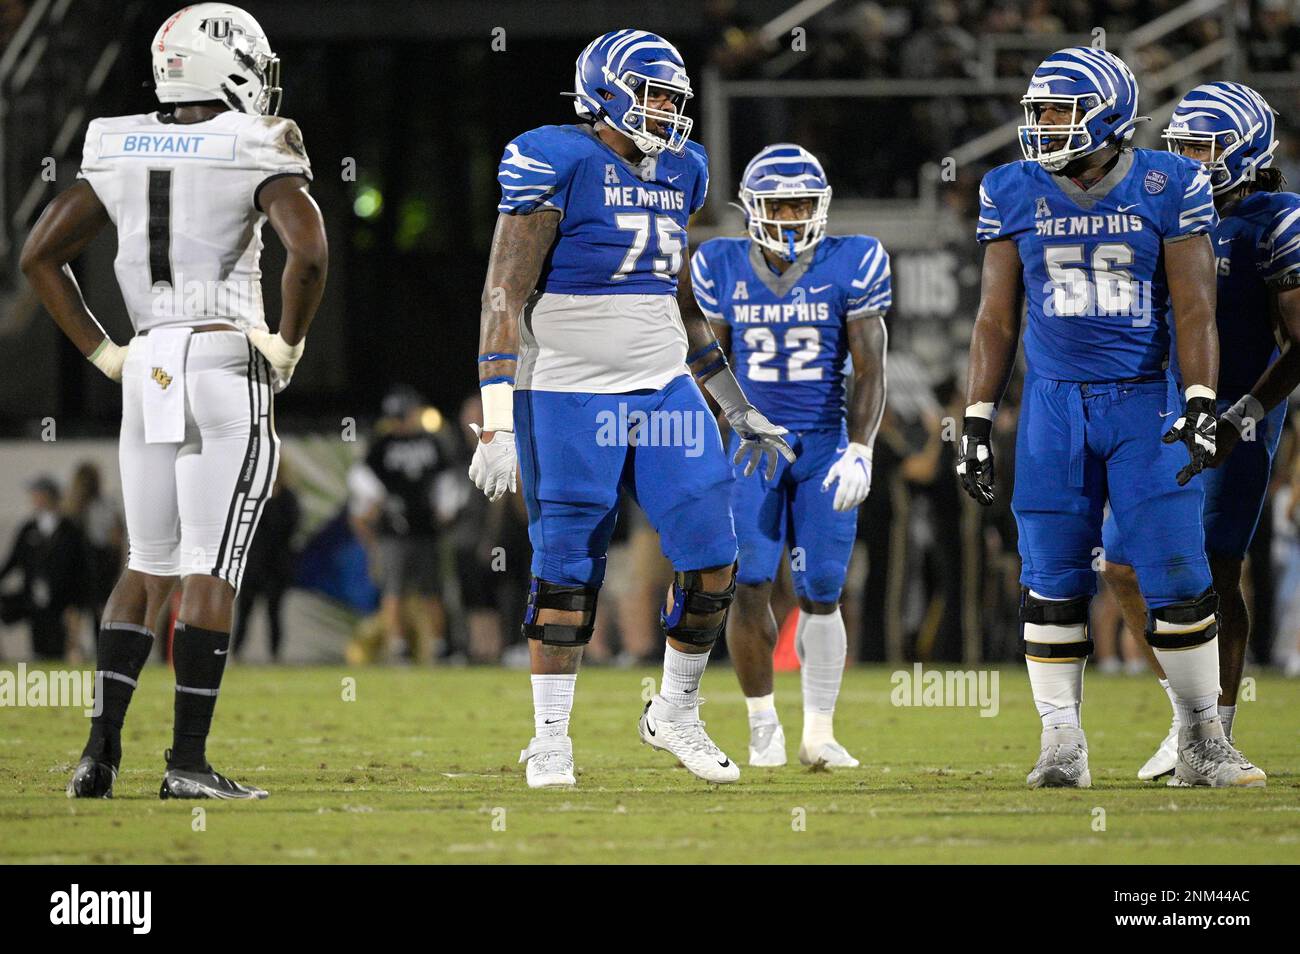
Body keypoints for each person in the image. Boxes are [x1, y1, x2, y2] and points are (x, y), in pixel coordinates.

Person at [469, 30, 793, 788]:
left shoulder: (682, 169)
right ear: (605, 92)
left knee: (714, 554)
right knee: (565, 568)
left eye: (672, 98)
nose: (665, 111)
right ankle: (550, 738)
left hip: (661, 387)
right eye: (651, 95)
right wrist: (494, 418)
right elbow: (502, 292)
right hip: (566, 388)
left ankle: (675, 712)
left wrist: (734, 403)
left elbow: (678, 306)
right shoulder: (558, 158)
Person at [21, 4, 327, 799]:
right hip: (225, 354)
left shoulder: (116, 140)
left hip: (149, 360)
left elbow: (40, 256)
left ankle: (98, 756)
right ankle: (187, 764)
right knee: (209, 568)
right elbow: (309, 252)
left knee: (146, 564)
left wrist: (101, 350)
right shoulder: (258, 141)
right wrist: (289, 339)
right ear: (228, 68)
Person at [955, 47, 1261, 789]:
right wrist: (976, 416)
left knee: (1178, 574)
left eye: (1059, 111)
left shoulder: (1168, 183)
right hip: (1054, 405)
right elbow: (996, 319)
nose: (1043, 126)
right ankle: (1061, 744)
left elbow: (1195, 308)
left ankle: (1202, 740)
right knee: (1052, 576)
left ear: (1110, 116)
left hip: (1141, 399)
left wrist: (1197, 398)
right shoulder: (1012, 188)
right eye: (1038, 112)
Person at [1100, 82, 1300, 784]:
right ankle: (1188, 719)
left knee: (1214, 571)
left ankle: (1217, 732)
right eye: (1180, 146)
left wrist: (1245, 412)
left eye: (1203, 148)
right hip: (1159, 407)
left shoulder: (1278, 219)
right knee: (1121, 565)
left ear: (1246, 150)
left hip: (1239, 411)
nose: (1188, 159)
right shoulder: (1156, 206)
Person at [687, 144, 889, 767]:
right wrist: (729, 427)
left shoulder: (852, 260)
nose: (794, 215)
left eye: (804, 202)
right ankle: (762, 722)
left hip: (824, 441)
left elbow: (871, 368)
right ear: (751, 209)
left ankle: (820, 732)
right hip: (753, 445)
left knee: (822, 589)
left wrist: (861, 448)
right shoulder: (720, 263)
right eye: (780, 204)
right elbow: (708, 364)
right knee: (747, 583)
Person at [349, 386, 454, 663]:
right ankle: (399, 646)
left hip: (425, 529)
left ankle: (439, 645)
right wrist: (376, 503)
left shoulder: (431, 442)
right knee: (393, 590)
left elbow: (446, 479)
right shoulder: (382, 445)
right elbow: (362, 480)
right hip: (393, 531)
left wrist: (444, 507)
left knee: (431, 590)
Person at [0, 477, 88, 659]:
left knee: (58, 646)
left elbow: (81, 567)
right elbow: (13, 560)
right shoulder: (28, 528)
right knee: (38, 644)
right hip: (34, 599)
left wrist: (81, 600)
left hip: (63, 600)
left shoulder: (69, 529)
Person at [232, 462, 300, 661]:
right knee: (244, 612)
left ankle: (275, 655)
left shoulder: (287, 497)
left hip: (276, 564)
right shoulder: (251, 494)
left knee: (274, 612)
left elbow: (291, 527)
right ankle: (236, 653)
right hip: (253, 563)